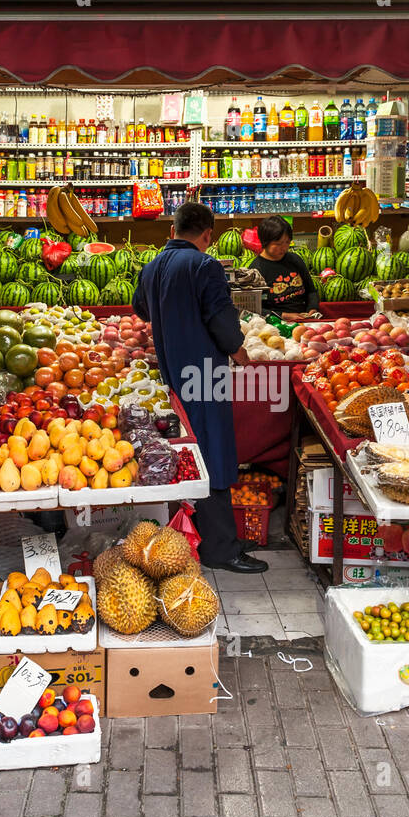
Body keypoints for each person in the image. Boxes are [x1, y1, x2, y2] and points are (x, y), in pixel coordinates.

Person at [132, 202, 267, 574]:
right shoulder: (205, 266)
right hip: (206, 375)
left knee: (193, 454)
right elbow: (223, 323)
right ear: (207, 234)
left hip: (172, 377)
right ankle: (220, 550)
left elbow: (141, 309)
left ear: (173, 229)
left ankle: (215, 537)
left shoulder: (152, 266)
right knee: (214, 455)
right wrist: (239, 353)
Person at [250, 215, 319, 320]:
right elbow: (254, 309)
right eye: (278, 244)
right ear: (265, 242)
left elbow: (311, 291)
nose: (284, 248)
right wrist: (283, 316)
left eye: (287, 242)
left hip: (304, 320)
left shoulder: (295, 260)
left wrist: (312, 309)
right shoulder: (255, 270)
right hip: (276, 325)